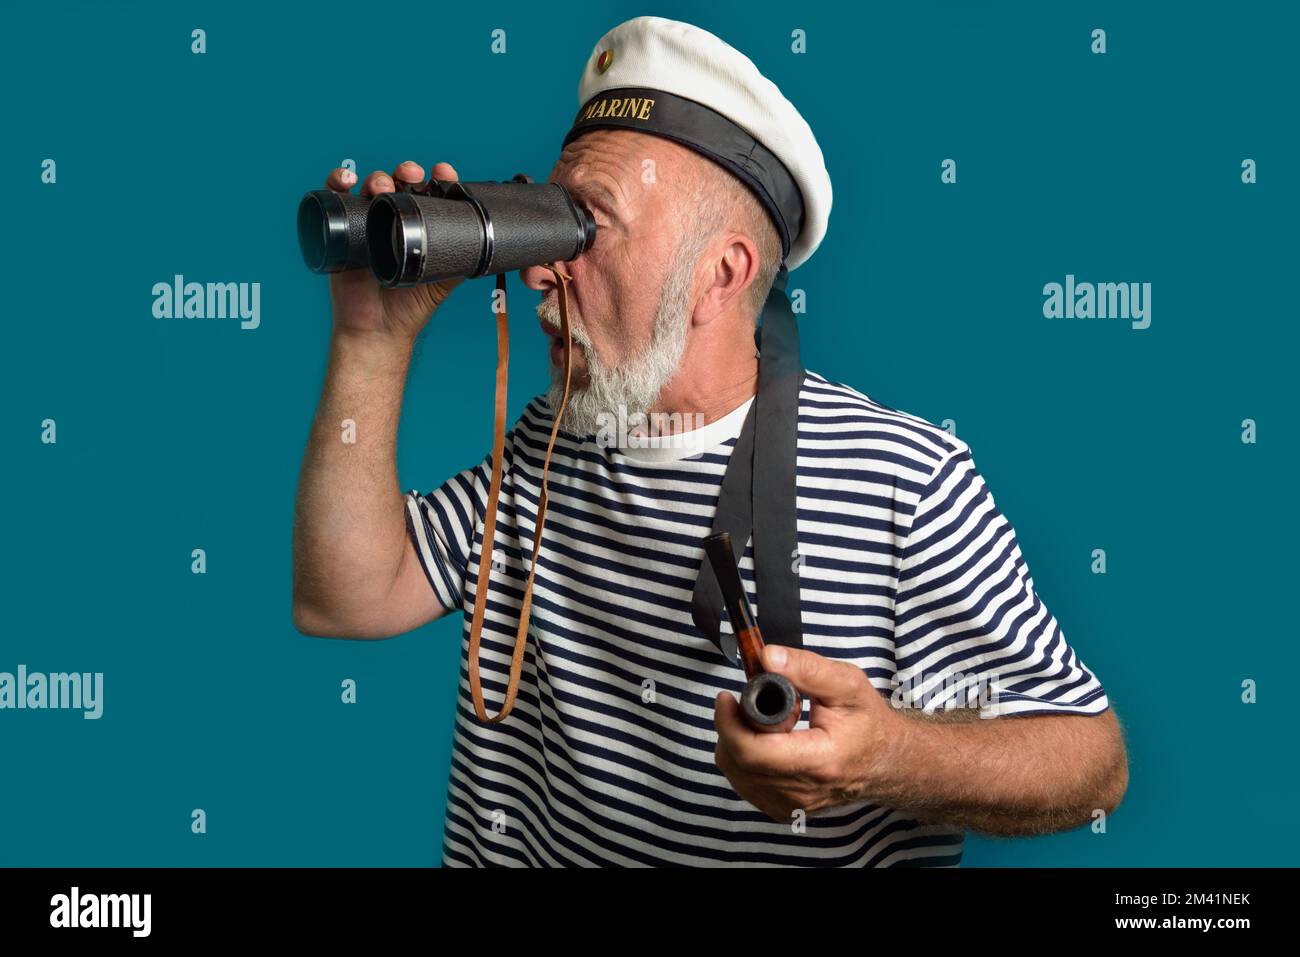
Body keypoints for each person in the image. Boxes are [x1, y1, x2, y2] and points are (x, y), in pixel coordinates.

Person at [292, 15, 1127, 866]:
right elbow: (346, 597)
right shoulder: (555, 441)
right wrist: (372, 338)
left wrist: (887, 758)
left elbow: (1089, 759)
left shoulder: (902, 483)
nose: (540, 269)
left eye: (586, 228)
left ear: (718, 274)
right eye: (546, 220)